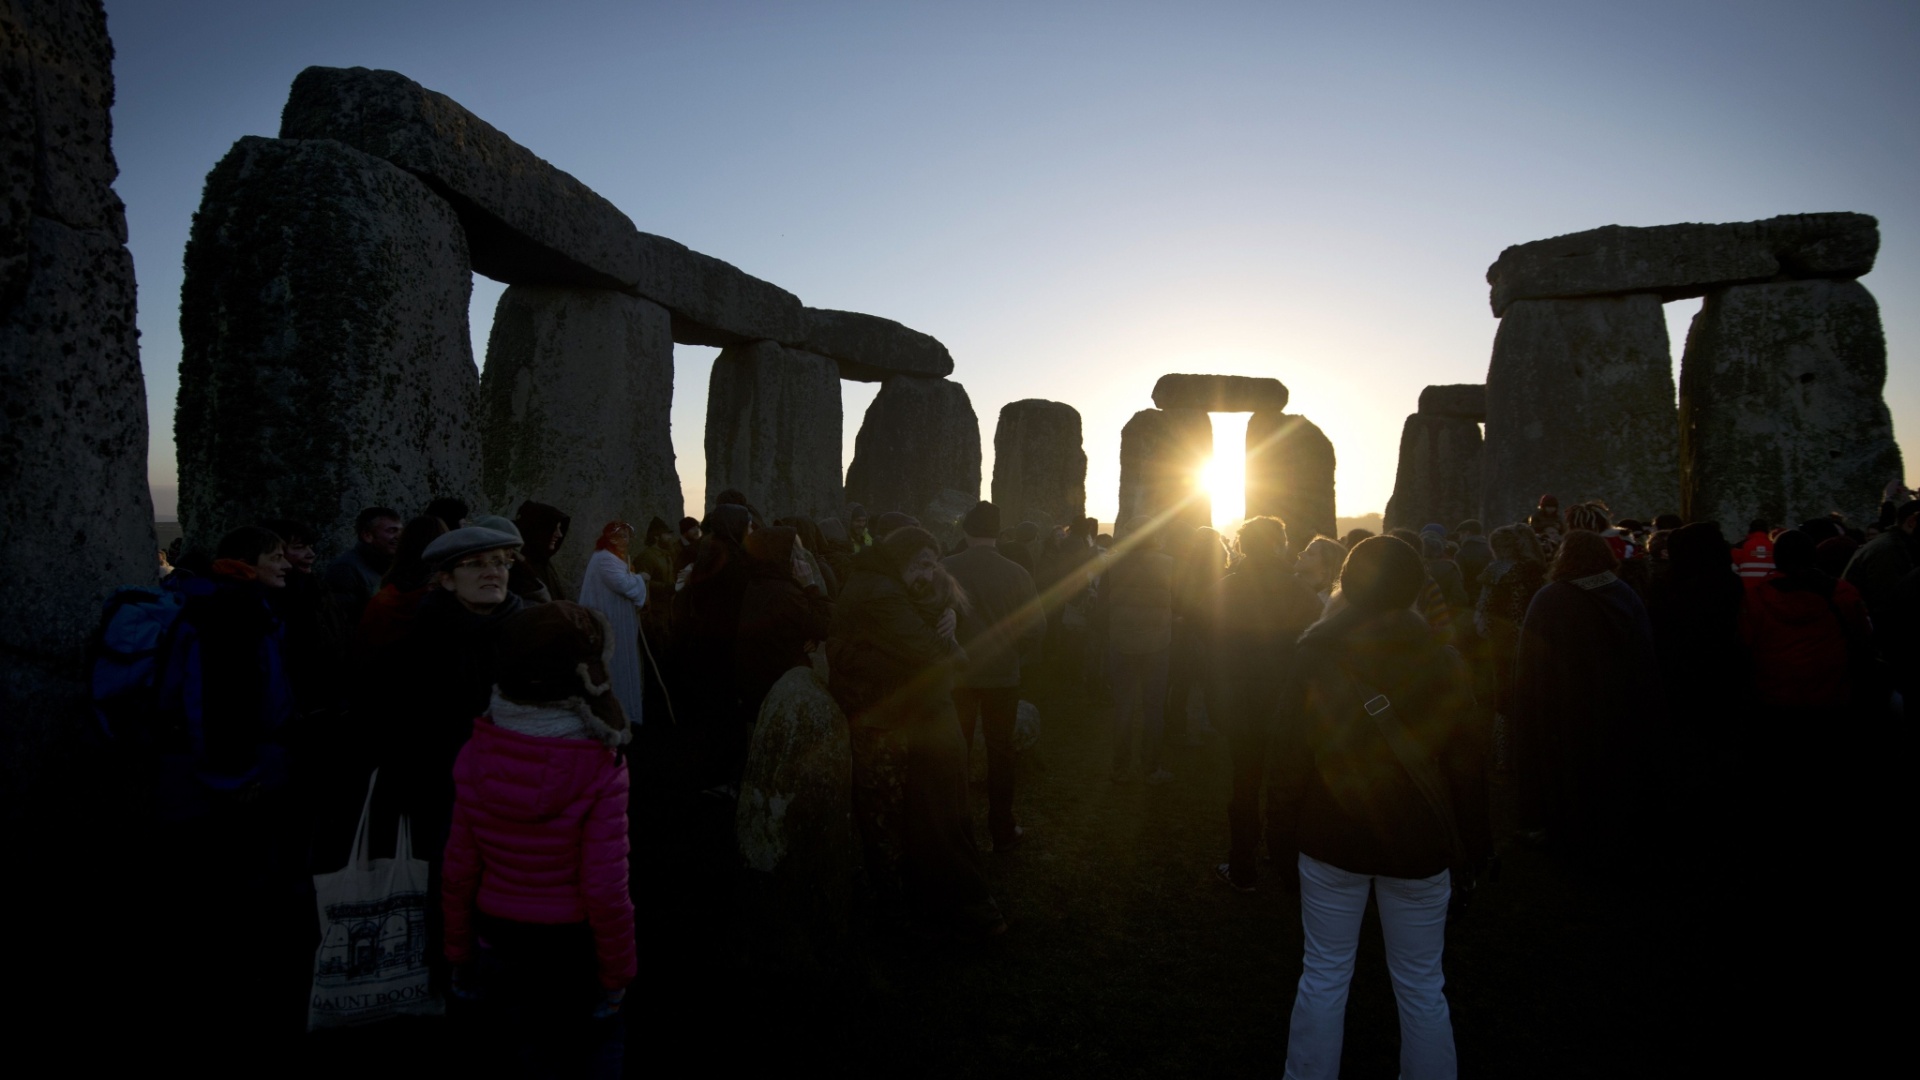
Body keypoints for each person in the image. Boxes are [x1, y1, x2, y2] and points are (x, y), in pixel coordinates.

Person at [1268, 536, 1486, 1080]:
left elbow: (1289, 759)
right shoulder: (1443, 662)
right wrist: (1475, 850)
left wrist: (1280, 840)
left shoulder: (1314, 655)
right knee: (1420, 983)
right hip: (1417, 842)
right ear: (1415, 588)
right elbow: (1466, 769)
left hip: (1331, 834)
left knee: (1323, 972)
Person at [443, 601, 634, 1077]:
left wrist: (459, 955)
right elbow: (606, 889)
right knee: (584, 1058)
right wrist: (616, 975)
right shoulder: (600, 765)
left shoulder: (476, 751)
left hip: (498, 936)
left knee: (510, 1056)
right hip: (572, 947)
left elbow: (459, 871)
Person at [154, 525, 307, 1039]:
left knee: (219, 889)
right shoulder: (232, 612)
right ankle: (238, 1002)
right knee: (237, 889)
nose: (285, 562)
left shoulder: (222, 601)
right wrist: (236, 775)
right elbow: (220, 704)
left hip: (207, 777)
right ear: (246, 562)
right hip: (228, 781)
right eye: (275, 555)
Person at [829, 526, 1003, 937]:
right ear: (900, 556)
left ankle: (920, 904)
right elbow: (927, 652)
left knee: (919, 813)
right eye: (922, 563)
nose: (928, 572)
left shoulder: (886, 585)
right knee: (895, 818)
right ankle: (902, 913)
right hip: (889, 719)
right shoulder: (881, 592)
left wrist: (948, 615)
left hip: (905, 715)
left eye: (933, 564)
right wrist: (947, 631)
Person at [380, 525, 527, 874]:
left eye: (500, 562)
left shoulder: (529, 637)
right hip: (443, 803)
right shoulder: (416, 649)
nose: (493, 571)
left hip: (519, 798)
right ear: (446, 580)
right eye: (475, 564)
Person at [1512, 530, 1662, 861]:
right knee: (1612, 772)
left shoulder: (1550, 598)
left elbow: (1530, 664)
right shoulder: (1624, 593)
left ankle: (1570, 835)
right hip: (1619, 705)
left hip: (1565, 708)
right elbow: (1644, 653)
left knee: (1568, 774)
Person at [1207, 516, 1322, 891]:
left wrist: (1215, 697)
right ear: (1280, 545)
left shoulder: (1225, 588)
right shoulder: (1302, 594)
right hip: (1288, 699)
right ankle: (1289, 862)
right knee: (1290, 782)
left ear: (1242, 546)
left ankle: (1242, 867)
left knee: (1245, 783)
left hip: (1240, 700)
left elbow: (1212, 650)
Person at [944, 502, 1045, 851]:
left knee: (959, 750)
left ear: (967, 531)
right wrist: (1015, 653)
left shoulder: (947, 568)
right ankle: (1002, 827)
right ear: (998, 533)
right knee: (1001, 751)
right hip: (1003, 674)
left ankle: (957, 829)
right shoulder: (1017, 573)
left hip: (959, 674)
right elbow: (1036, 627)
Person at [1101, 518, 1176, 784]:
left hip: (1121, 641)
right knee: (1154, 707)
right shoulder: (1169, 564)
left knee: (1123, 705)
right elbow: (1179, 601)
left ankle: (1120, 767)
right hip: (1157, 643)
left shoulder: (1114, 564)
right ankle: (1151, 767)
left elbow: (1102, 601)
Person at [734, 526, 833, 730]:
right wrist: (810, 585)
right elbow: (828, 624)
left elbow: (799, 624)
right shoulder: (786, 594)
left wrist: (807, 633)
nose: (802, 557)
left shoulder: (759, 583)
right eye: (796, 552)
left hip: (758, 687)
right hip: (783, 687)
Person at [576, 522, 649, 726]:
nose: (625, 541)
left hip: (618, 624)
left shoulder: (613, 559)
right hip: (610, 624)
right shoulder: (604, 559)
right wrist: (641, 579)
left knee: (621, 666)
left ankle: (624, 713)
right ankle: (613, 715)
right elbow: (623, 584)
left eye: (627, 536)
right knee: (614, 667)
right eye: (621, 536)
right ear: (610, 539)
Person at [321, 505, 401, 643]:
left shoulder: (391, 566)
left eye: (400, 531)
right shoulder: (345, 569)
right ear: (367, 535)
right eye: (392, 531)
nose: (398, 537)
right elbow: (343, 621)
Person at [514, 500, 575, 603]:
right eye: (554, 528)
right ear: (538, 530)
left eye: (560, 529)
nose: (559, 534)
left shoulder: (543, 563)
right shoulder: (519, 568)